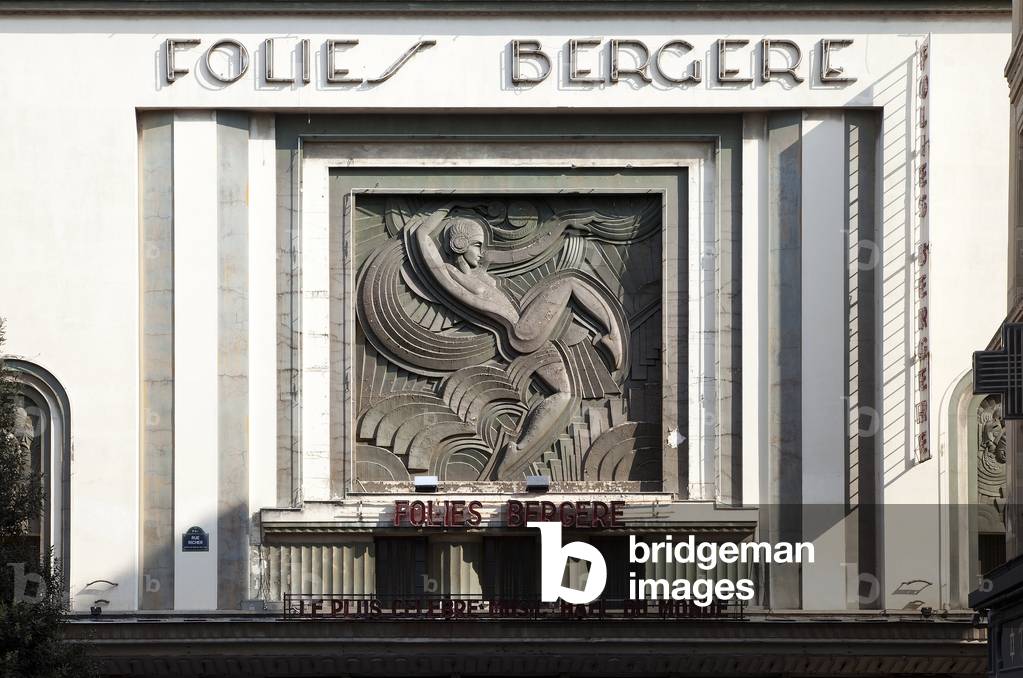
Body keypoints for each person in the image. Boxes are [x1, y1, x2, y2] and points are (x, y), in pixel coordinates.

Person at [411, 201, 624, 476]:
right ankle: (611, 335)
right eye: (476, 244)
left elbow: (520, 253)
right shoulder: (450, 277)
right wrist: (447, 204)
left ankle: (517, 451)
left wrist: (561, 227)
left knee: (564, 392)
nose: (482, 250)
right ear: (459, 244)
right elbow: (421, 239)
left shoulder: (480, 272)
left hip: (525, 330)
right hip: (519, 333)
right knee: (568, 284)